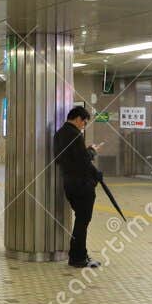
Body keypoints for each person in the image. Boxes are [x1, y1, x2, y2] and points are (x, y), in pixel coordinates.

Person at [54, 105, 100, 270]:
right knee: (82, 221)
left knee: (80, 220)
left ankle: (79, 254)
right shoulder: (75, 135)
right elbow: (83, 161)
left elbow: (62, 159)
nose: (83, 126)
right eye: (84, 122)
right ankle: (78, 257)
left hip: (68, 182)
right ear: (78, 119)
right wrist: (92, 151)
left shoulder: (59, 134)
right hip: (81, 185)